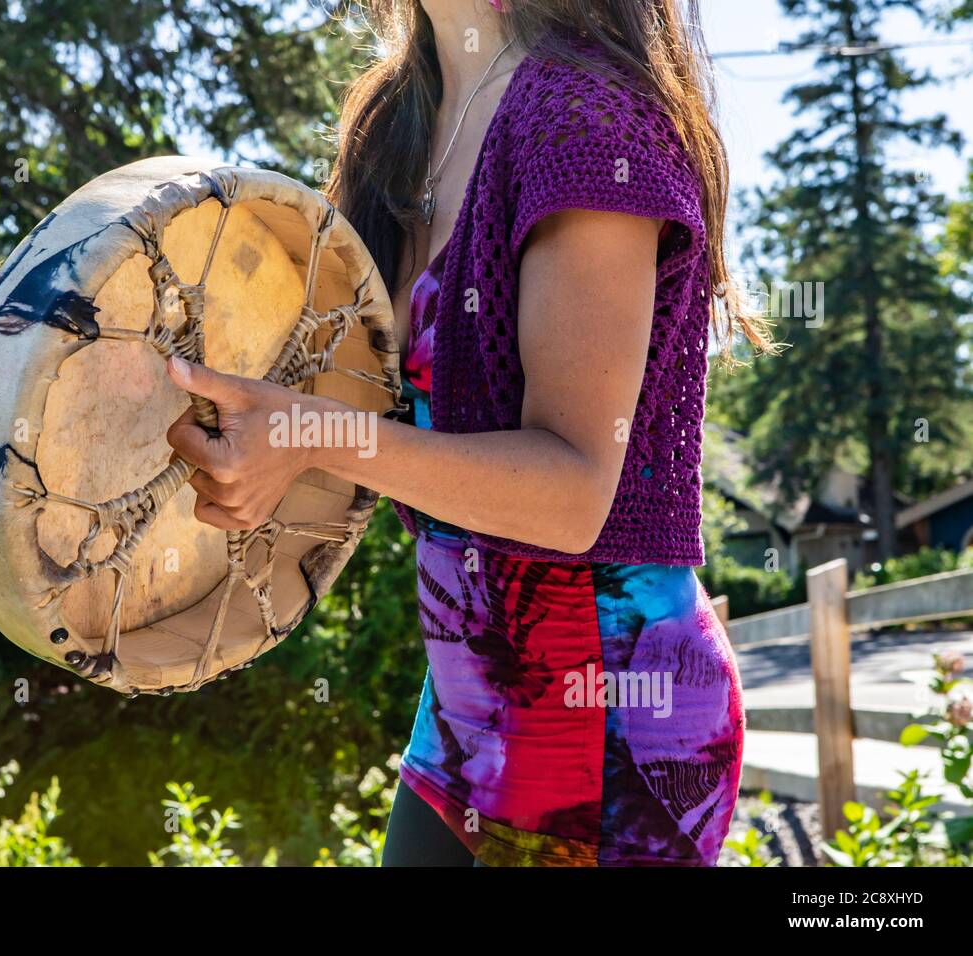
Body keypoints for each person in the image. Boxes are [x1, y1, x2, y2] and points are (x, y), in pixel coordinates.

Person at [164, 0, 775, 866]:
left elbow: (571, 494)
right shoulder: (392, 122)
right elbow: (330, 388)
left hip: (611, 724)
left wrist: (306, 434)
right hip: (465, 703)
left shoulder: (590, 117)